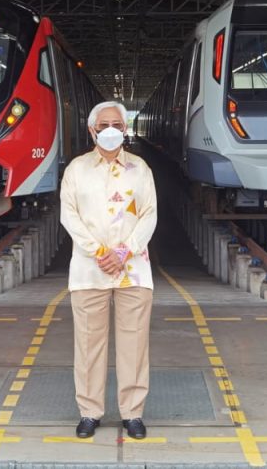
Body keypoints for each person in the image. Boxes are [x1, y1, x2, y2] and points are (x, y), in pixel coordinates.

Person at [60, 101, 157, 440]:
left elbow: (149, 215)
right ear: (92, 130)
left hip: (134, 270)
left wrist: (122, 251)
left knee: (133, 344)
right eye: (105, 124)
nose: (112, 129)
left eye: (118, 123)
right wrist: (100, 251)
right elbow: (69, 216)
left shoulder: (141, 169)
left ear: (126, 129)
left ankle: (132, 413)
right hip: (89, 270)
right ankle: (90, 412)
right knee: (89, 343)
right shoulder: (76, 169)